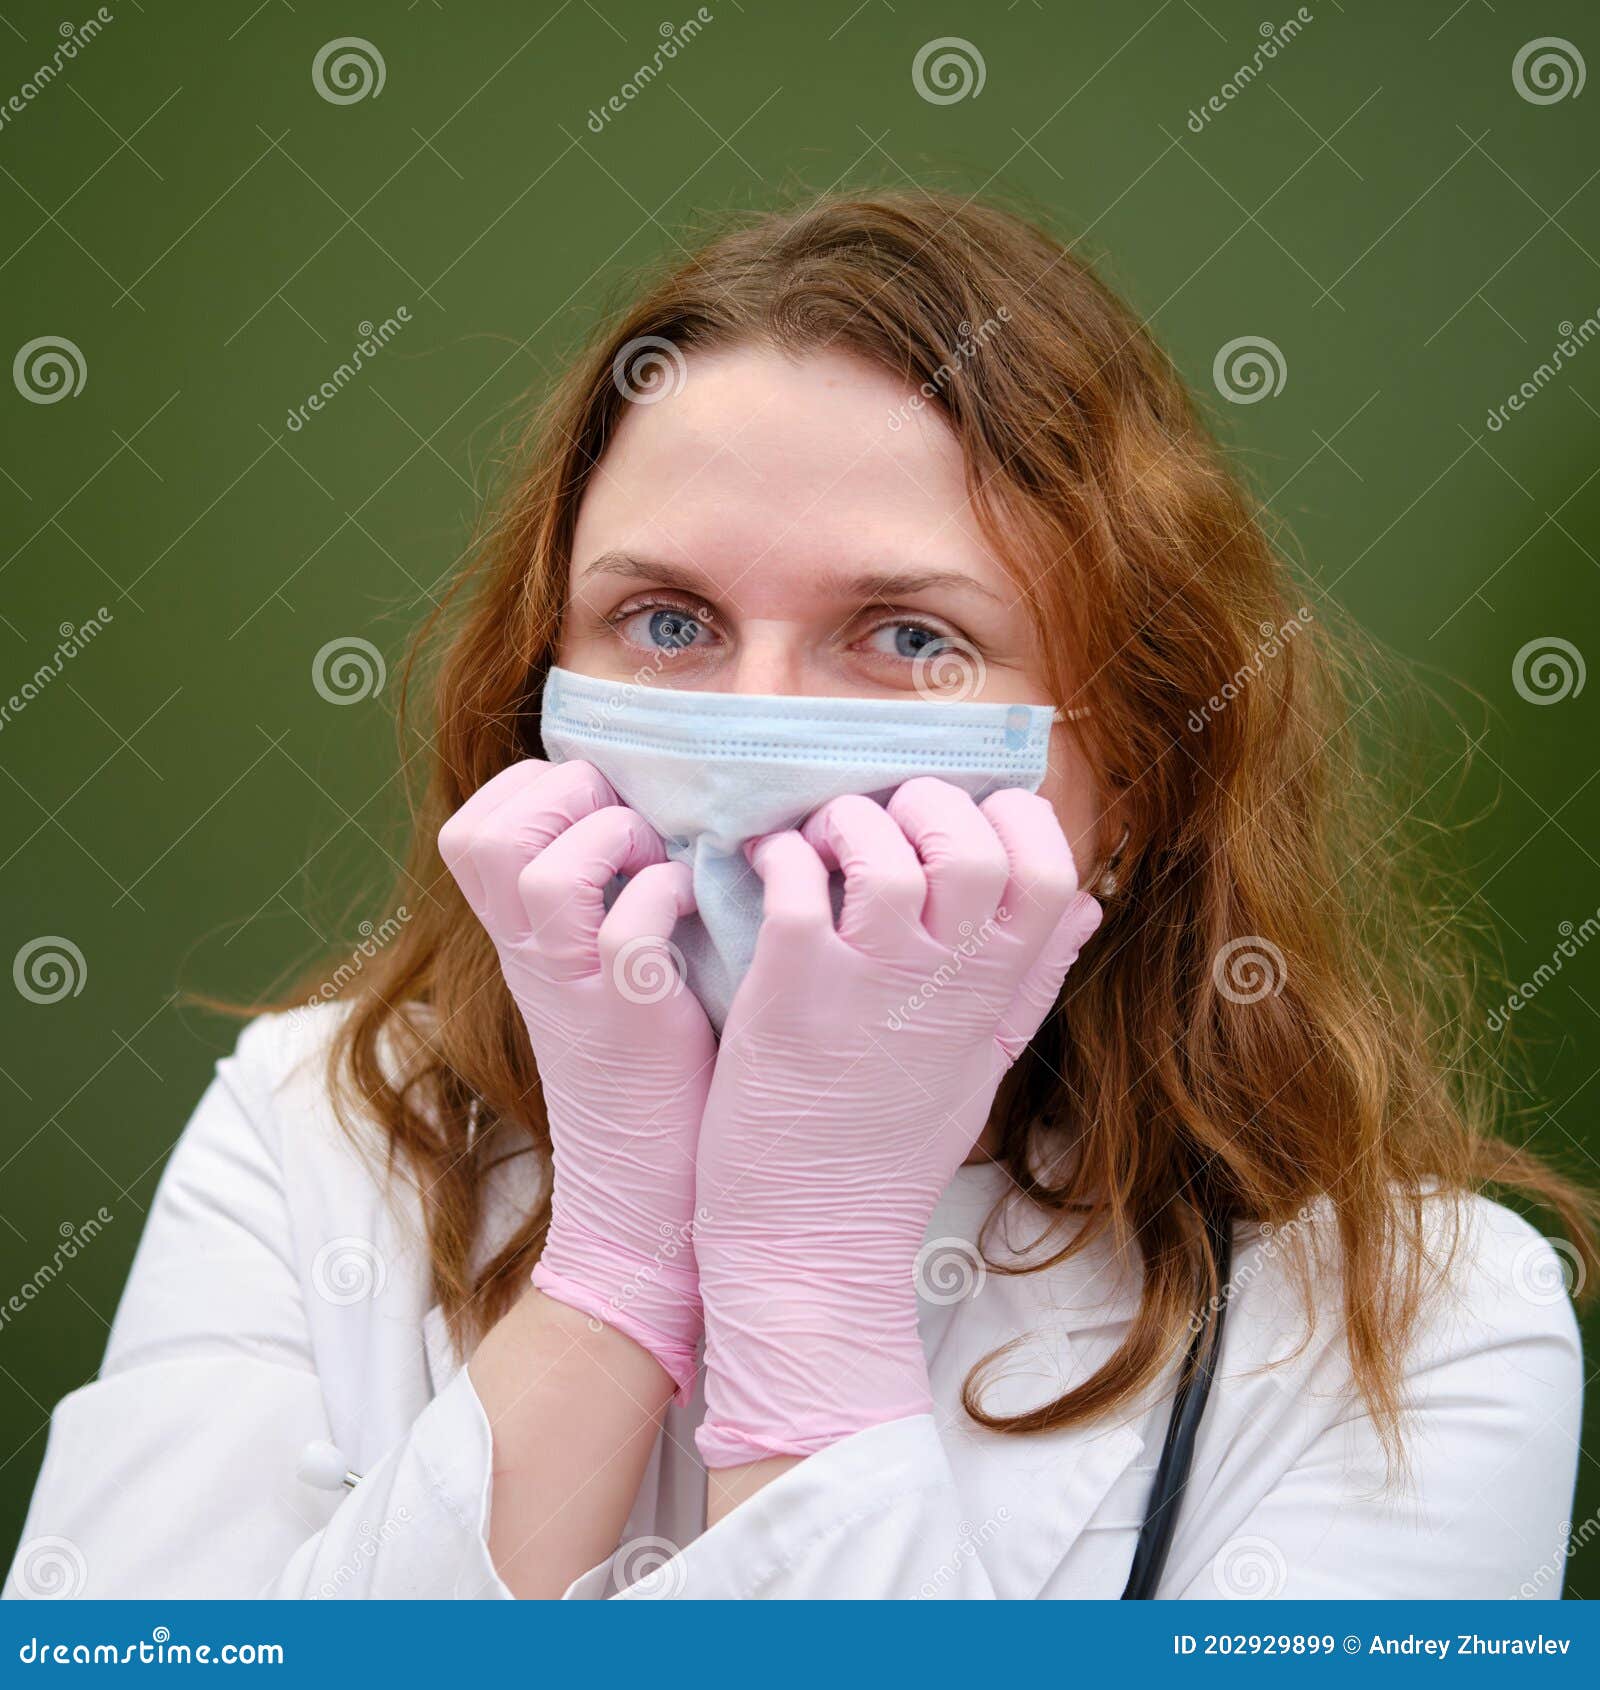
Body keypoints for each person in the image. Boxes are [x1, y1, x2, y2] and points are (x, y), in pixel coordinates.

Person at [6, 190, 1592, 1602]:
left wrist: (811, 1306)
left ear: (1141, 773)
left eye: (908, 636)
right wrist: (614, 1274)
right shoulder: (314, 1134)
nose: (751, 737)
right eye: (669, 621)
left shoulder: (1427, 1325)